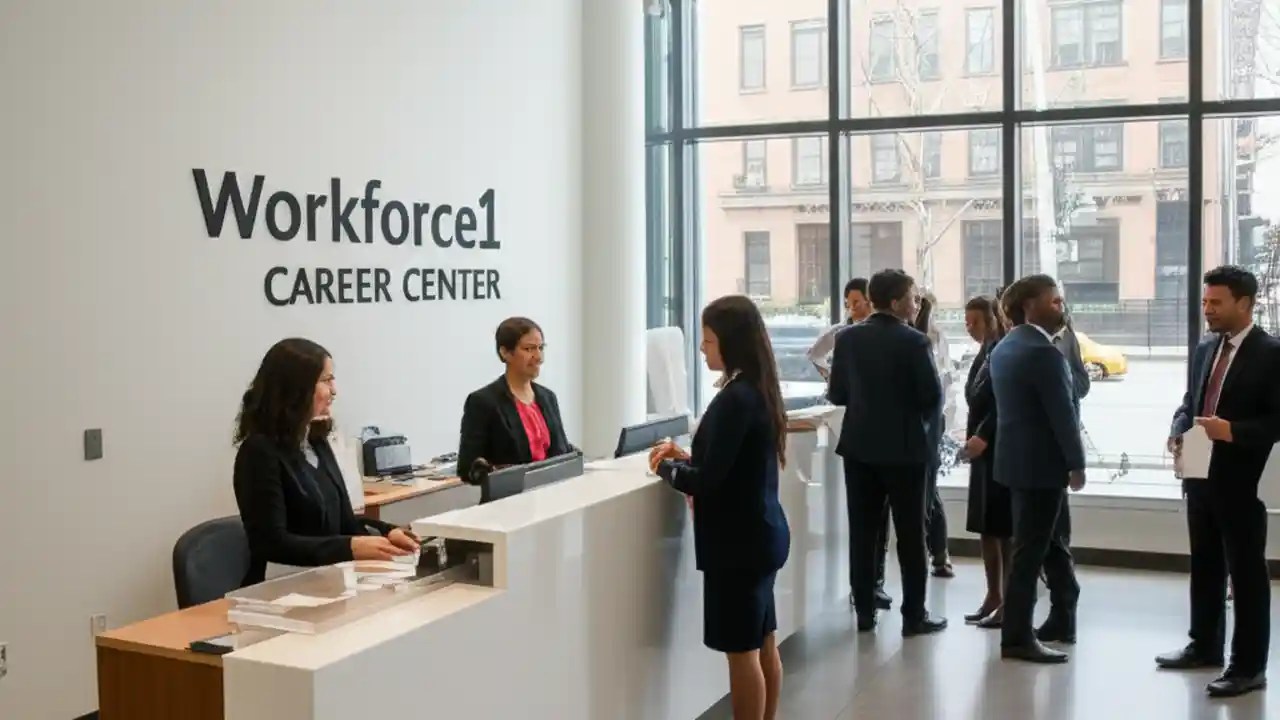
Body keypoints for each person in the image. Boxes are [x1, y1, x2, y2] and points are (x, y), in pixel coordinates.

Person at [649, 294, 791, 720]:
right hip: (761, 533)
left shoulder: (735, 398)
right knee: (764, 641)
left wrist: (669, 469)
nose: (702, 349)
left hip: (737, 544)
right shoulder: (756, 388)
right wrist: (691, 457)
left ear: (729, 342)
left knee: (741, 653)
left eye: (708, 341)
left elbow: (710, 482)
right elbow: (733, 463)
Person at [1157, 265, 1280, 698]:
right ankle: (1203, 645)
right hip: (1197, 467)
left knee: (1245, 574)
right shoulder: (1205, 346)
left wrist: (1233, 431)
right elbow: (1190, 402)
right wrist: (1178, 428)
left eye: (1216, 303)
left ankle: (1248, 667)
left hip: (1240, 477)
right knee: (1205, 562)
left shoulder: (1271, 353)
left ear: (1245, 304)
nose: (1207, 310)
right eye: (1205, 301)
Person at [233, 338, 419, 585]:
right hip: (284, 588)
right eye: (326, 380)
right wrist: (351, 547)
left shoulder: (317, 441)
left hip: (331, 580)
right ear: (296, 387)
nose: (334, 390)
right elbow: (272, 543)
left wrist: (386, 531)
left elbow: (343, 523)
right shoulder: (259, 453)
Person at [829, 268, 947, 636]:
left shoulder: (847, 339)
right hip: (907, 453)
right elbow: (932, 398)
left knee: (862, 533)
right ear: (896, 303)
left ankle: (865, 612)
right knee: (912, 536)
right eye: (913, 298)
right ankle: (914, 616)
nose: (917, 304)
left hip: (860, 450)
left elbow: (837, 395)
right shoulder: (914, 343)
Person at [990, 275, 1086, 664]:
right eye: (1054, 301)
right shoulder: (1044, 353)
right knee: (1030, 555)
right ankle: (1016, 637)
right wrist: (1076, 464)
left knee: (1047, 545)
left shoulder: (1005, 347)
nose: (1060, 307)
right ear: (1030, 305)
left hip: (1016, 464)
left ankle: (1062, 620)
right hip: (1044, 468)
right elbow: (1062, 415)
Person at [457, 317, 573, 500]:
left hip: (551, 500)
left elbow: (562, 452)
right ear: (505, 353)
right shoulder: (483, 402)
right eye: (529, 349)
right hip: (508, 506)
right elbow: (467, 469)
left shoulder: (548, 397)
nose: (538, 357)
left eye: (541, 348)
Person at [960, 295, 1011, 628]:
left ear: (994, 319)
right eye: (966, 323)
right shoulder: (985, 351)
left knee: (1003, 528)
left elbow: (1004, 402)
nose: (970, 328)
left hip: (998, 449)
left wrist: (985, 435)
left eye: (975, 322)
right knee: (985, 526)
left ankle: (1008, 599)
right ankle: (992, 594)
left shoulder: (1004, 351)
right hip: (980, 451)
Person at [913, 292, 953, 578]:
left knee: (927, 492)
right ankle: (938, 554)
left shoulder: (926, 339)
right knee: (928, 491)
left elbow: (940, 387)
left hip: (925, 425)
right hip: (926, 424)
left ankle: (937, 554)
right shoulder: (921, 338)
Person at [806, 277, 872, 380]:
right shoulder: (839, 331)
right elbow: (814, 355)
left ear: (869, 301)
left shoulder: (879, 329)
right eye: (848, 303)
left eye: (856, 302)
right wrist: (830, 376)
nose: (852, 307)